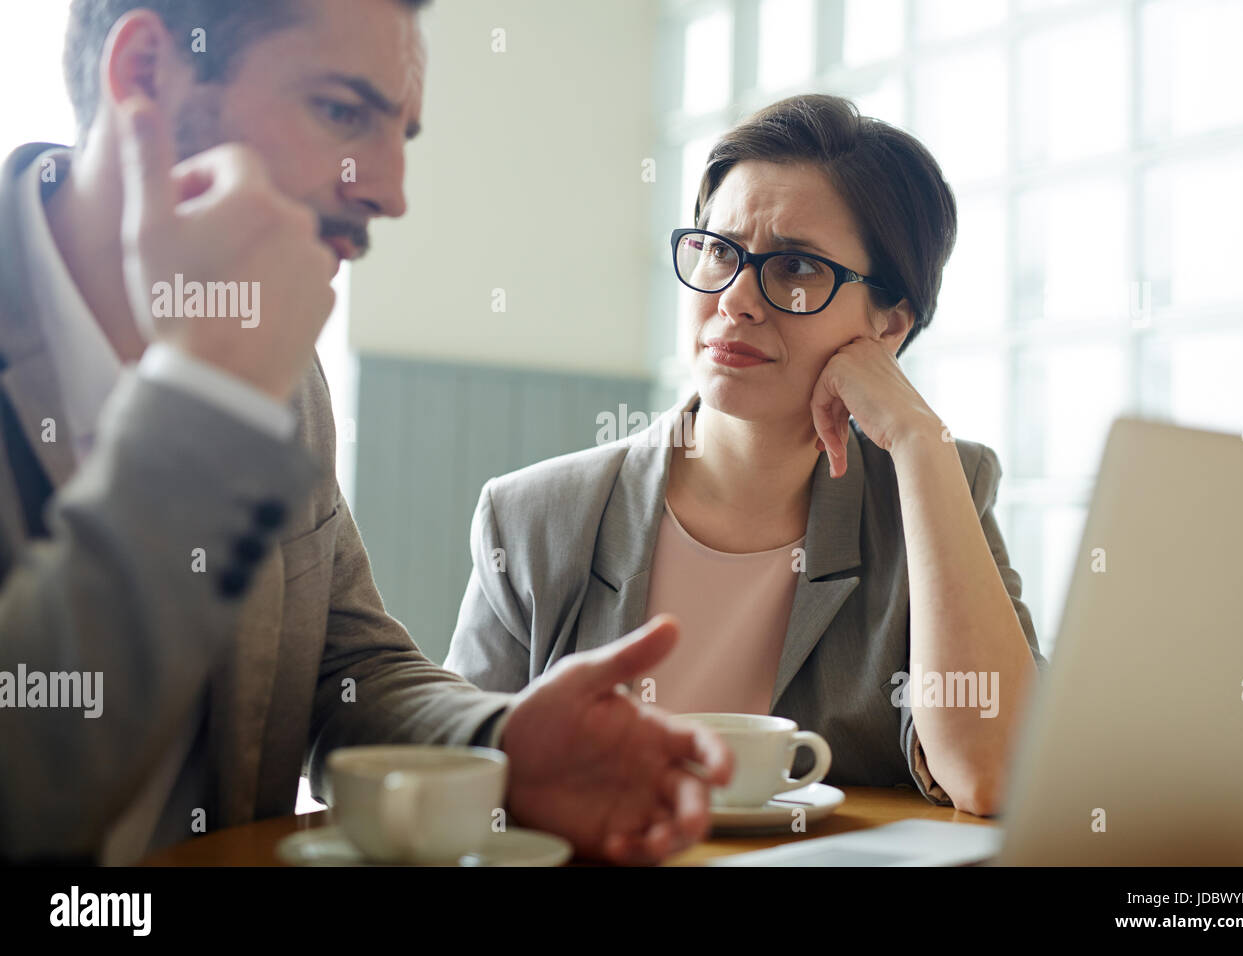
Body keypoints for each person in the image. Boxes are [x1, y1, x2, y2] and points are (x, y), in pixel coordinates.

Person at [0, 0, 730, 865]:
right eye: (342, 111)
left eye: (402, 134)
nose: (389, 190)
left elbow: (338, 666)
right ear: (147, 76)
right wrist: (210, 400)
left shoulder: (273, 358)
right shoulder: (240, 367)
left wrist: (500, 744)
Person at [445, 94, 1048, 816]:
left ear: (888, 325)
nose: (734, 299)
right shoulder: (534, 518)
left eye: (794, 266)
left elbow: (997, 775)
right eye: (717, 250)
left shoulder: (936, 490)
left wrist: (920, 439)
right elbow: (458, 789)